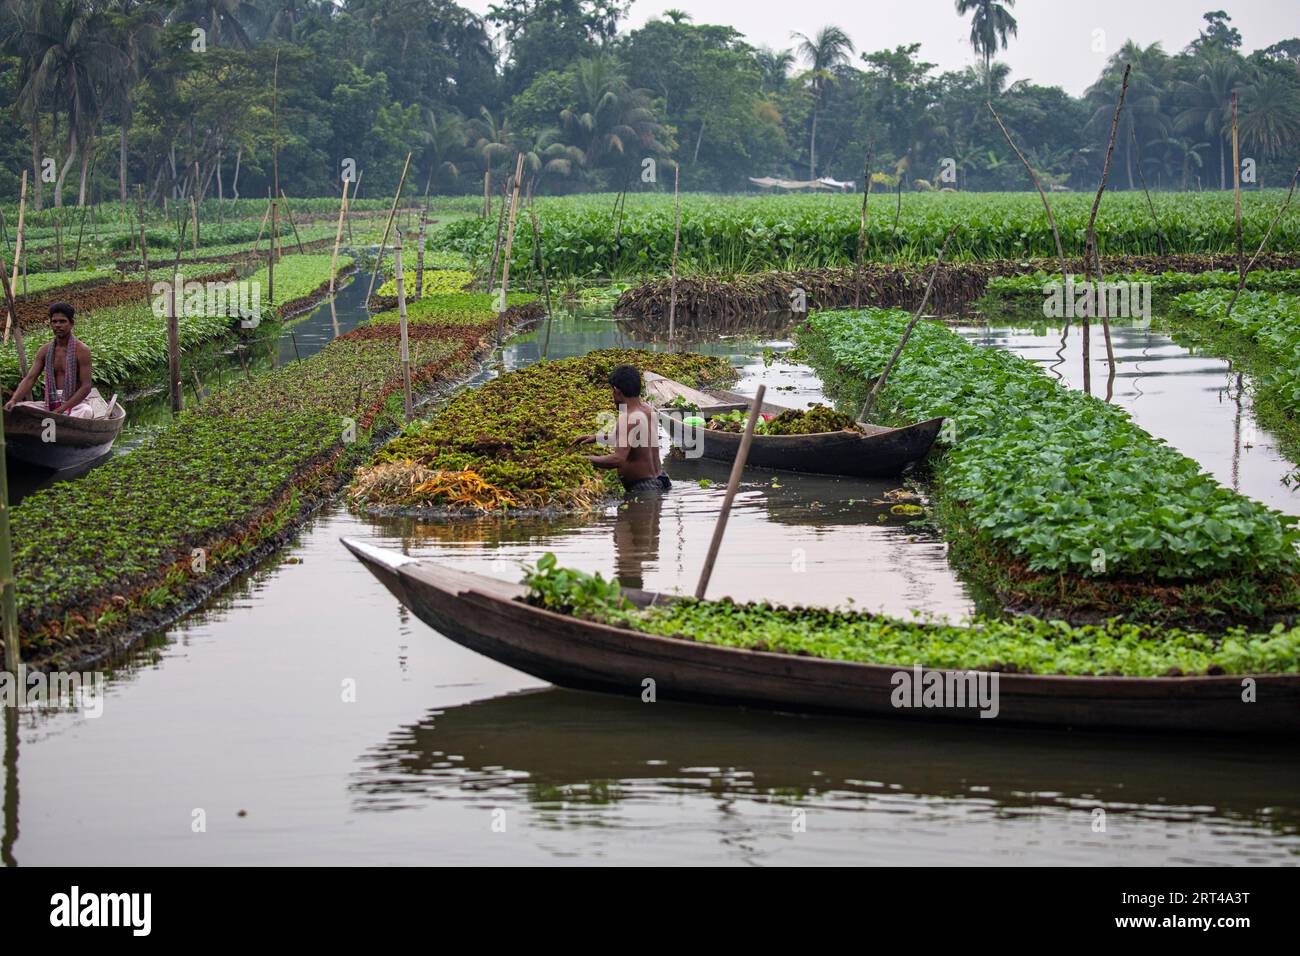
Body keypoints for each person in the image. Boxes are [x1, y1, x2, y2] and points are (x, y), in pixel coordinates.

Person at [570, 364, 672, 494]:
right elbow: (632, 441)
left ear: (617, 391)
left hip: (644, 487)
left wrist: (581, 459)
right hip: (662, 479)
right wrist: (596, 438)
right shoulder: (647, 409)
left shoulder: (627, 417)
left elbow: (618, 459)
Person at [4, 302, 96, 418]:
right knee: (18, 408)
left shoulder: (82, 350)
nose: (58, 325)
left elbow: (86, 386)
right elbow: (30, 378)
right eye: (54, 322)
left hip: (75, 403)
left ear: (71, 323)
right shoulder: (45, 350)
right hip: (50, 404)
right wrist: (14, 400)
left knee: (86, 411)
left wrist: (62, 409)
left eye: (62, 321)